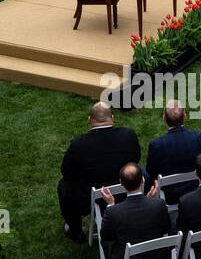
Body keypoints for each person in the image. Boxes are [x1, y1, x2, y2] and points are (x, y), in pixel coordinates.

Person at [58, 101, 141, 241]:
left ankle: (75, 230)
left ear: (90, 120)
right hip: (125, 190)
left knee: (63, 186)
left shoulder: (78, 144)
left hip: (90, 198)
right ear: (112, 118)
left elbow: (66, 172)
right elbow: (136, 159)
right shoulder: (128, 135)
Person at [100, 164, 172, 259]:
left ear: (121, 183)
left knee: (106, 241)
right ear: (143, 180)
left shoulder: (114, 212)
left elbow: (106, 236)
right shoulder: (159, 204)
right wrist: (151, 201)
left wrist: (110, 205)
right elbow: (166, 228)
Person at [145, 101, 201, 203]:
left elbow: (151, 172)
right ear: (185, 116)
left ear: (164, 118)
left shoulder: (156, 145)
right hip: (196, 188)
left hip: (171, 195)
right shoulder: (198, 137)